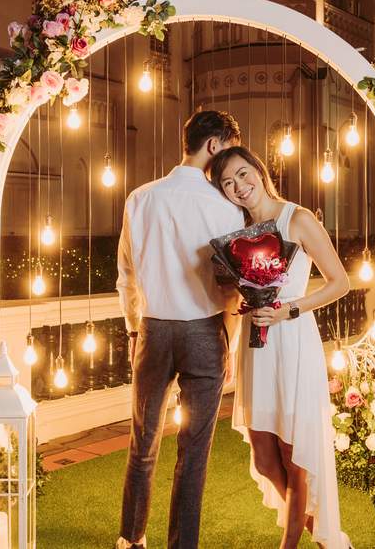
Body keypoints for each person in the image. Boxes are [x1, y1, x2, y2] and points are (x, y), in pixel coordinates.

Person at [208, 146, 353, 549]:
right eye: (228, 183)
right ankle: (326, 537)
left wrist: (288, 310)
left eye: (242, 174)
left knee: (294, 454)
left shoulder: (298, 218)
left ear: (258, 169)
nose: (239, 186)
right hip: (256, 347)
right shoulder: (238, 231)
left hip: (293, 341)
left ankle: (289, 544)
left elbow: (340, 283)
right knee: (264, 457)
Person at [115, 110, 245, 549]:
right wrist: (230, 344)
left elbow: (127, 276)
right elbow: (232, 289)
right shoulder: (226, 207)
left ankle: (131, 539)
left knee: (143, 442)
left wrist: (134, 330)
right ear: (214, 145)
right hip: (205, 333)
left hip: (152, 329)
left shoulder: (140, 198)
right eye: (228, 150)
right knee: (194, 454)